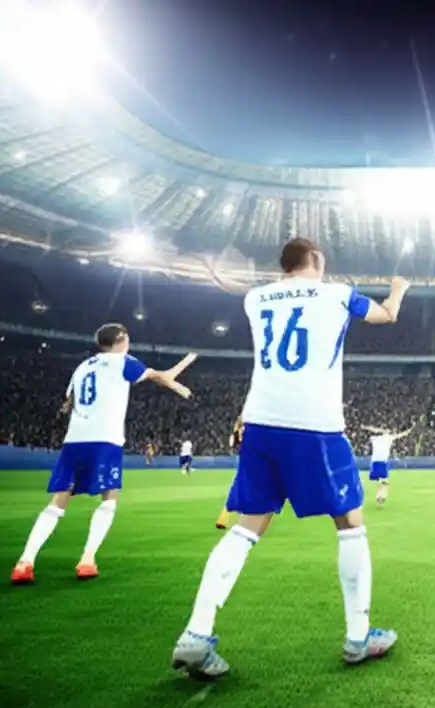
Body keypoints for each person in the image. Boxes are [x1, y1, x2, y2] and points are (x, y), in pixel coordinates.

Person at [171, 237, 410, 680]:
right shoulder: (338, 293)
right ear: (316, 260)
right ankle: (359, 635)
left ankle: (196, 633)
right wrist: (398, 289)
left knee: (246, 526)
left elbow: (259, 290)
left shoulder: (255, 297)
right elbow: (387, 316)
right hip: (315, 424)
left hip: (260, 422)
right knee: (351, 524)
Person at [10, 324, 195, 585]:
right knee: (109, 498)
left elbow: (68, 403)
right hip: (105, 440)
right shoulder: (123, 361)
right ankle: (87, 559)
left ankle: (25, 562)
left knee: (57, 502)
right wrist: (179, 381)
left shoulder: (82, 367)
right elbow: (160, 376)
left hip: (74, 439)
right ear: (121, 340)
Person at [360, 422, 417, 505]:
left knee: (380, 481)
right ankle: (381, 497)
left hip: (375, 462)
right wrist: (411, 429)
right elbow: (402, 434)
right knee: (384, 482)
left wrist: (365, 427)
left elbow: (373, 431)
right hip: (382, 462)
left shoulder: (374, 438)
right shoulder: (388, 438)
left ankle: (379, 497)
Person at [216, 417, 243, 530]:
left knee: (238, 486)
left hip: (243, 458)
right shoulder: (252, 430)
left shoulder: (236, 432)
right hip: (252, 461)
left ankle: (224, 517)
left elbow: (233, 444)